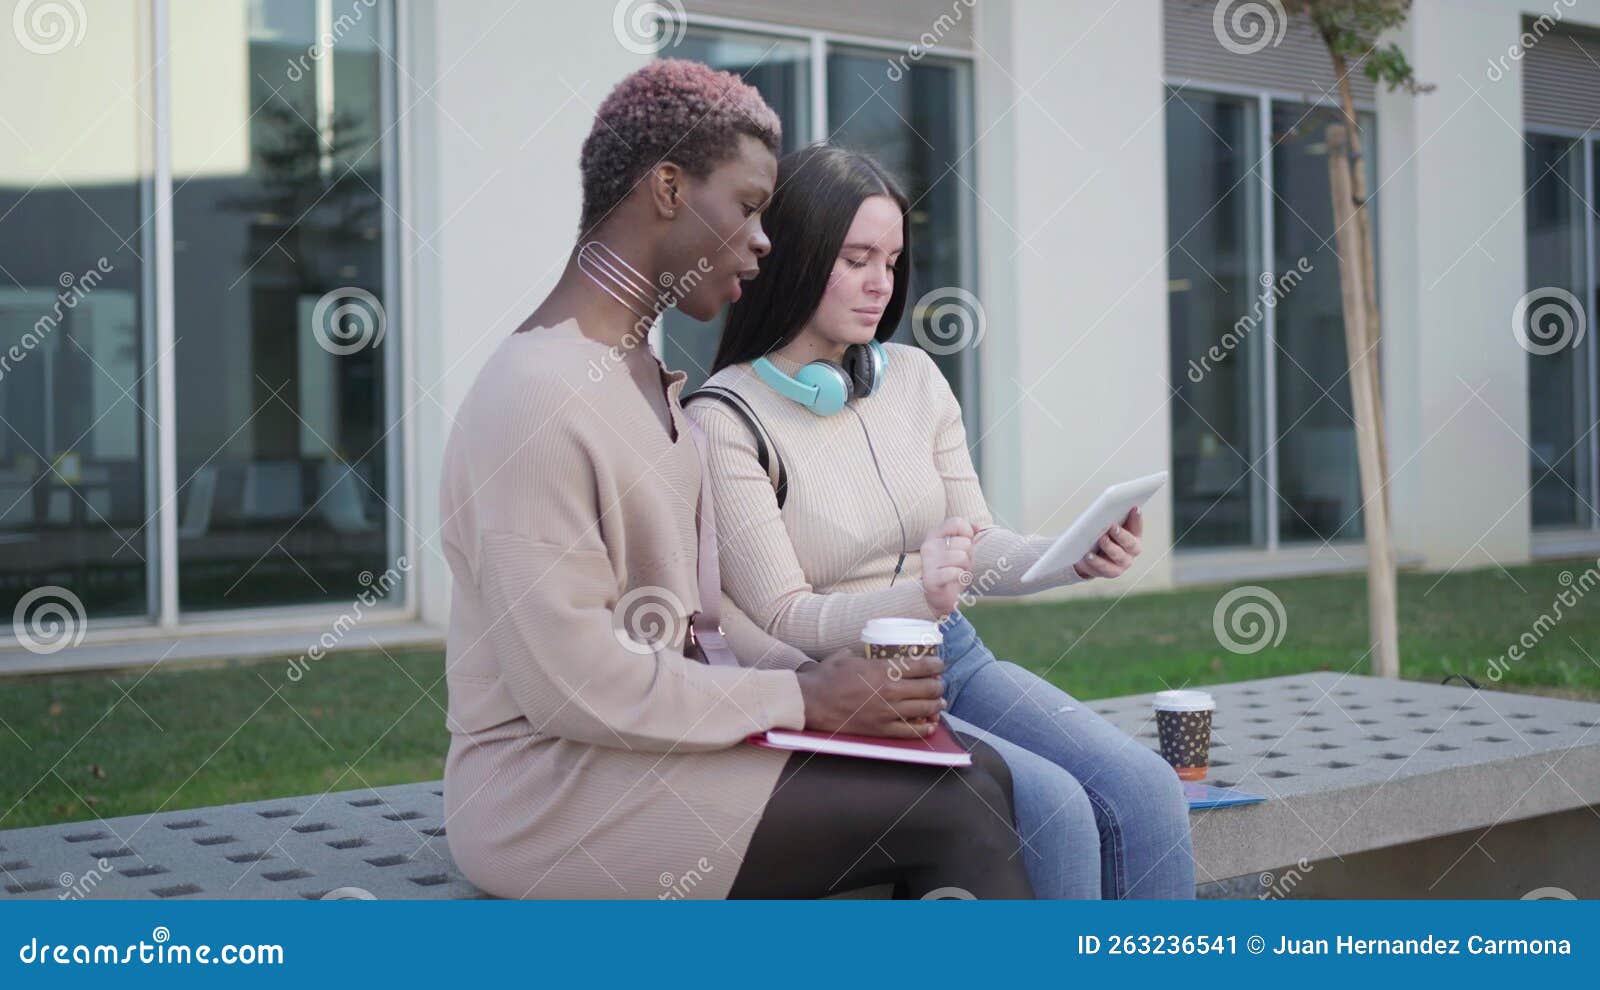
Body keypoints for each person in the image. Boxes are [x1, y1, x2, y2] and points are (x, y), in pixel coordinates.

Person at [438, 62, 1032, 900]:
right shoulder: (534, 395)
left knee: (977, 771)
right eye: (749, 207)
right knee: (953, 808)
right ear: (669, 189)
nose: (764, 240)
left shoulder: (644, 378)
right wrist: (804, 698)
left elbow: (702, 626)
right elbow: (570, 684)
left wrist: (838, 682)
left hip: (652, 745)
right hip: (551, 791)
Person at [685, 143, 1195, 899]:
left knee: (1145, 787)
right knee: (1053, 809)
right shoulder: (726, 419)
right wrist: (918, 596)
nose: (880, 284)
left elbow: (973, 543)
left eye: (891, 262)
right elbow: (786, 617)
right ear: (795, 256)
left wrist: (1070, 555)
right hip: (852, 683)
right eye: (857, 259)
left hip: (956, 656)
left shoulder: (916, 379)